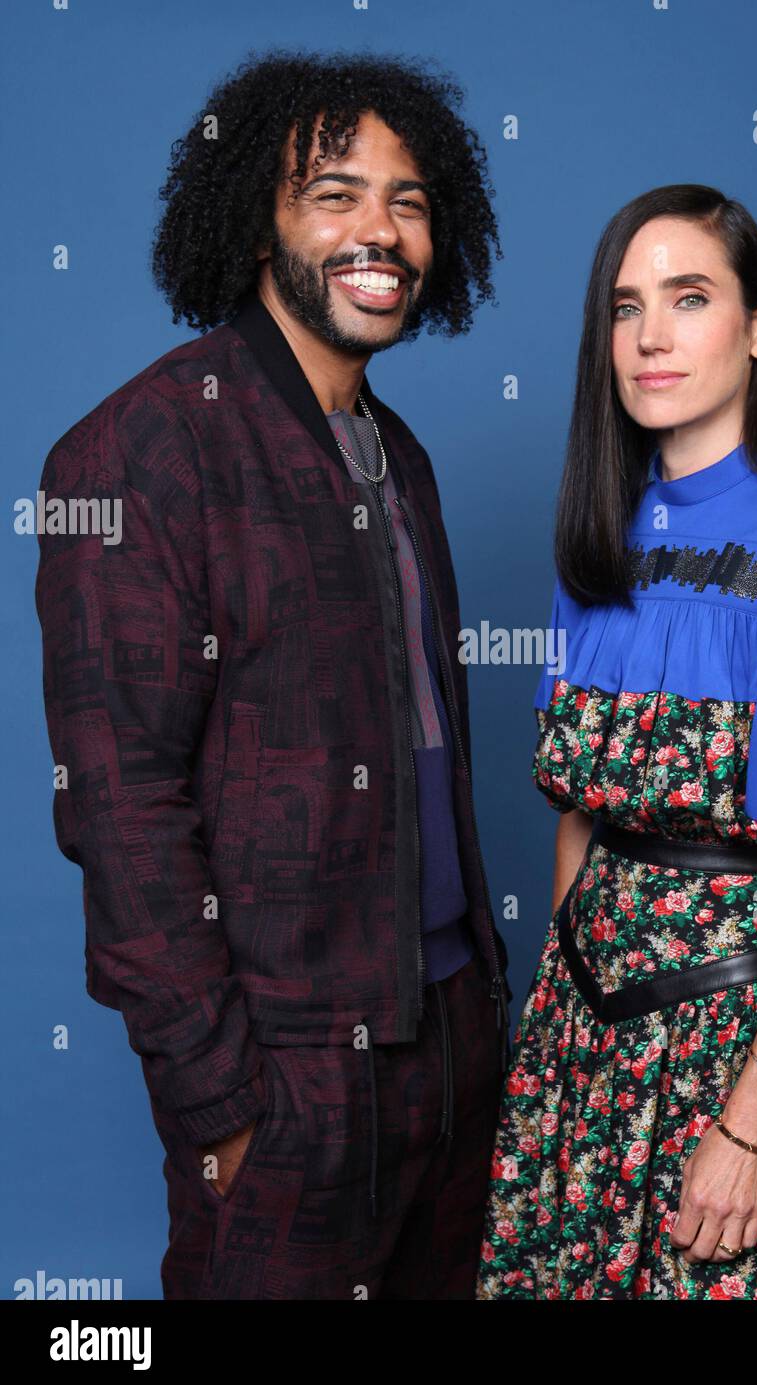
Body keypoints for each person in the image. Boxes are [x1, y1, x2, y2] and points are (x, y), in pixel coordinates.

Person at [34, 51, 512, 1300]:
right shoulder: (139, 449)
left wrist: (486, 1032)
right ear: (259, 217)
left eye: (408, 201)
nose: (380, 230)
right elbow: (118, 807)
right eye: (335, 193)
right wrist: (220, 1099)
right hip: (287, 1074)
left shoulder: (394, 455)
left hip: (452, 1035)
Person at [476, 184, 757, 1300]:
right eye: (625, 306)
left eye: (689, 298)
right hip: (581, 1041)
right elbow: (580, 818)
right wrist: (558, 1030)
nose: (649, 336)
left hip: (736, 1043)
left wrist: (755, 1113)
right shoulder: (596, 541)